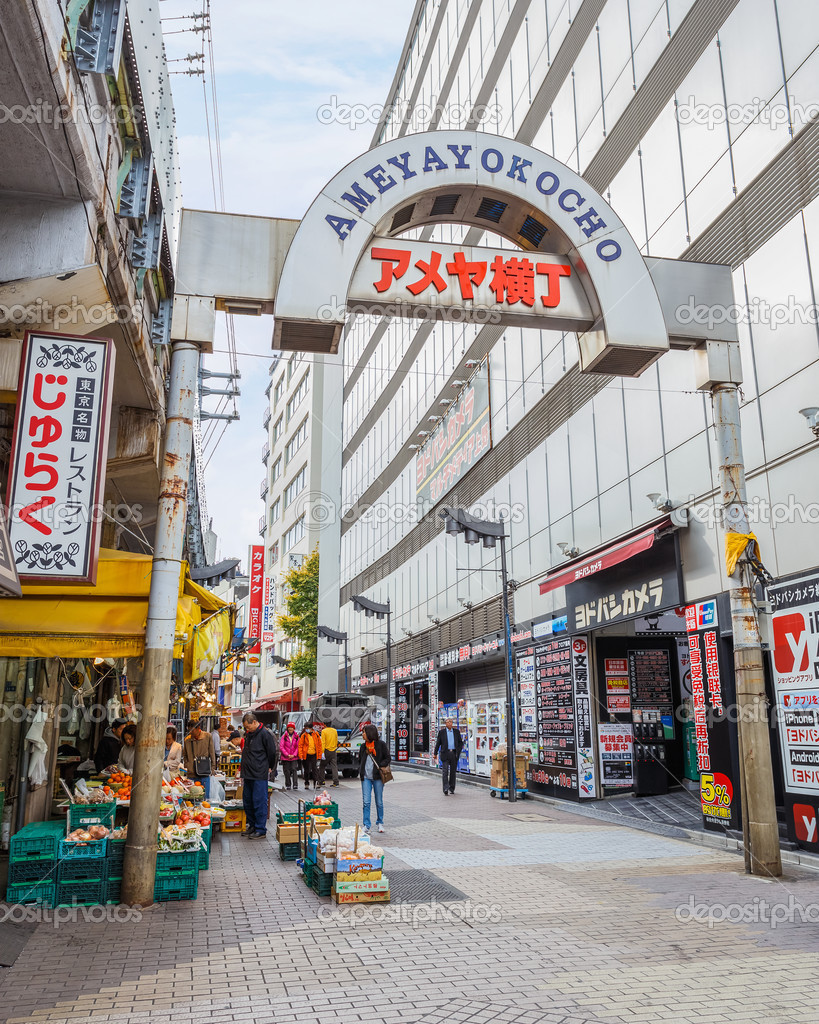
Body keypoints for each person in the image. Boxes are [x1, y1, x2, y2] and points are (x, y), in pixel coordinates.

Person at [240, 713, 278, 838]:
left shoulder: (265, 734)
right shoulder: (249, 734)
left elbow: (272, 753)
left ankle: (260, 829)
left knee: (259, 801)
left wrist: (270, 767)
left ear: (254, 722)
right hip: (248, 774)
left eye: (248, 726)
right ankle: (252, 825)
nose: (247, 729)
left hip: (259, 773)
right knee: (248, 801)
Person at [358, 723, 390, 834]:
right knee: (366, 802)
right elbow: (360, 760)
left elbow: (387, 758)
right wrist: (361, 771)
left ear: (370, 733)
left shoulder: (381, 745)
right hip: (366, 778)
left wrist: (381, 765)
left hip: (377, 778)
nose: (363, 734)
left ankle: (380, 822)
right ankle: (366, 825)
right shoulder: (363, 746)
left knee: (379, 801)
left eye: (364, 732)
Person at [183, 720, 217, 798]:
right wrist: (188, 765)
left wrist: (212, 768)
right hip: (191, 773)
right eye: (189, 730)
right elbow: (184, 755)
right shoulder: (187, 740)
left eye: (192, 731)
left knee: (205, 797)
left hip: (204, 772)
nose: (191, 733)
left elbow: (212, 752)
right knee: (192, 797)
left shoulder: (207, 736)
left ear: (198, 728)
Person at [434, 716, 464, 796]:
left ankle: (452, 787)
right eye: (448, 722)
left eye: (451, 722)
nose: (450, 723)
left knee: (453, 772)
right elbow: (438, 743)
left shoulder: (456, 732)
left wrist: (459, 750)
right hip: (445, 753)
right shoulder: (442, 732)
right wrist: (435, 753)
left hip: (454, 753)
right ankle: (445, 788)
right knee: (445, 771)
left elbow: (460, 742)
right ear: (445, 724)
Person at [298, 722, 323, 790]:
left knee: (315, 769)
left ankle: (316, 783)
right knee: (307, 770)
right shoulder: (304, 735)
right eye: (305, 728)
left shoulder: (316, 734)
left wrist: (320, 755)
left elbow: (319, 745)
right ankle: (306, 783)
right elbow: (300, 746)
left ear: (311, 728)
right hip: (306, 755)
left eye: (307, 728)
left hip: (314, 754)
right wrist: (301, 755)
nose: (306, 729)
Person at [279, 720, 300, 790]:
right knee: (286, 771)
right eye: (289, 727)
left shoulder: (297, 736)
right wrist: (287, 754)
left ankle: (295, 784)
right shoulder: (284, 736)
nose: (290, 729)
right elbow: (281, 746)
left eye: (292, 727)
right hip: (285, 757)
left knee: (294, 770)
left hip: (294, 757)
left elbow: (298, 747)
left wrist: (294, 755)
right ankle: (288, 784)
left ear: (294, 728)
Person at [320, 719, 339, 787]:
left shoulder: (324, 731)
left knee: (322, 766)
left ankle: (322, 781)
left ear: (324, 725)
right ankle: (336, 782)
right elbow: (336, 740)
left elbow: (323, 742)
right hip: (333, 750)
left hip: (326, 750)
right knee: (334, 766)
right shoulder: (334, 730)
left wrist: (322, 752)